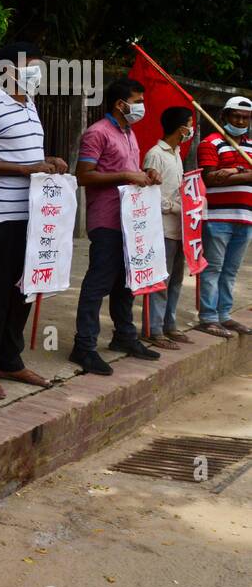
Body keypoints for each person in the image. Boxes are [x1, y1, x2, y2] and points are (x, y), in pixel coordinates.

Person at [0, 42, 66, 400]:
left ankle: (9, 359)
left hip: (33, 215)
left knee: (25, 289)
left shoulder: (30, 105)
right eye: (30, 67)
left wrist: (48, 160)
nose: (37, 74)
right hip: (1, 216)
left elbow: (24, 155)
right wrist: (24, 169)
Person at [68, 78, 163, 375]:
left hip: (130, 221)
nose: (142, 107)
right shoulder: (97, 133)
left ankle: (124, 336)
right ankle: (84, 346)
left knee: (126, 282)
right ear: (121, 104)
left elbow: (129, 172)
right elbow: (83, 176)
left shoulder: (129, 133)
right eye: (138, 101)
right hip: (106, 219)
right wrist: (126, 175)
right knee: (98, 283)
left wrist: (145, 173)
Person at [195, 95, 252, 337]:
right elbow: (209, 178)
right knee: (213, 269)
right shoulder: (211, 143)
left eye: (246, 118)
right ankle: (208, 318)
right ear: (224, 116)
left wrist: (230, 171)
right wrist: (245, 172)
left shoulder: (250, 145)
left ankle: (224, 315)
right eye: (236, 116)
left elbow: (221, 177)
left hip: (245, 218)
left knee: (230, 271)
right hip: (217, 217)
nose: (240, 121)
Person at [140, 106, 195, 348]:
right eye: (190, 125)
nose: (192, 129)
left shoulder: (177, 154)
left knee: (175, 280)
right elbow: (151, 195)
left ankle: (169, 324)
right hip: (161, 228)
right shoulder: (155, 154)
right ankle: (153, 329)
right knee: (160, 281)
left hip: (179, 229)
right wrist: (176, 207)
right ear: (182, 129)